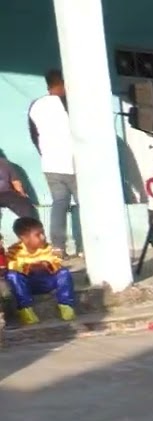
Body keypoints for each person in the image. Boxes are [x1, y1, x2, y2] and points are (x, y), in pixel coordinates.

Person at [27, 69, 76, 255]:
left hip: (50, 164)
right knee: (86, 205)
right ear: (63, 83)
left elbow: (34, 136)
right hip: (73, 163)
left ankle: (58, 247)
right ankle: (89, 245)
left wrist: (45, 153)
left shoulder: (36, 105)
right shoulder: (69, 103)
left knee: (59, 204)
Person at [4, 217, 75, 325]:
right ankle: (26, 310)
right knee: (12, 276)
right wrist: (28, 267)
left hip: (47, 281)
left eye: (43, 233)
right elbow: (11, 264)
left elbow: (56, 261)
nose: (43, 237)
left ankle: (66, 306)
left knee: (64, 273)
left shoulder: (48, 248)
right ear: (24, 238)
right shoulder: (14, 250)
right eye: (38, 235)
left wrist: (47, 265)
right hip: (26, 284)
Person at [0, 154, 38, 221]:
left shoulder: (4, 163)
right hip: (6, 194)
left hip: (6, 193)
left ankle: (29, 225)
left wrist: (22, 195)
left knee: (24, 204)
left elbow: (15, 182)